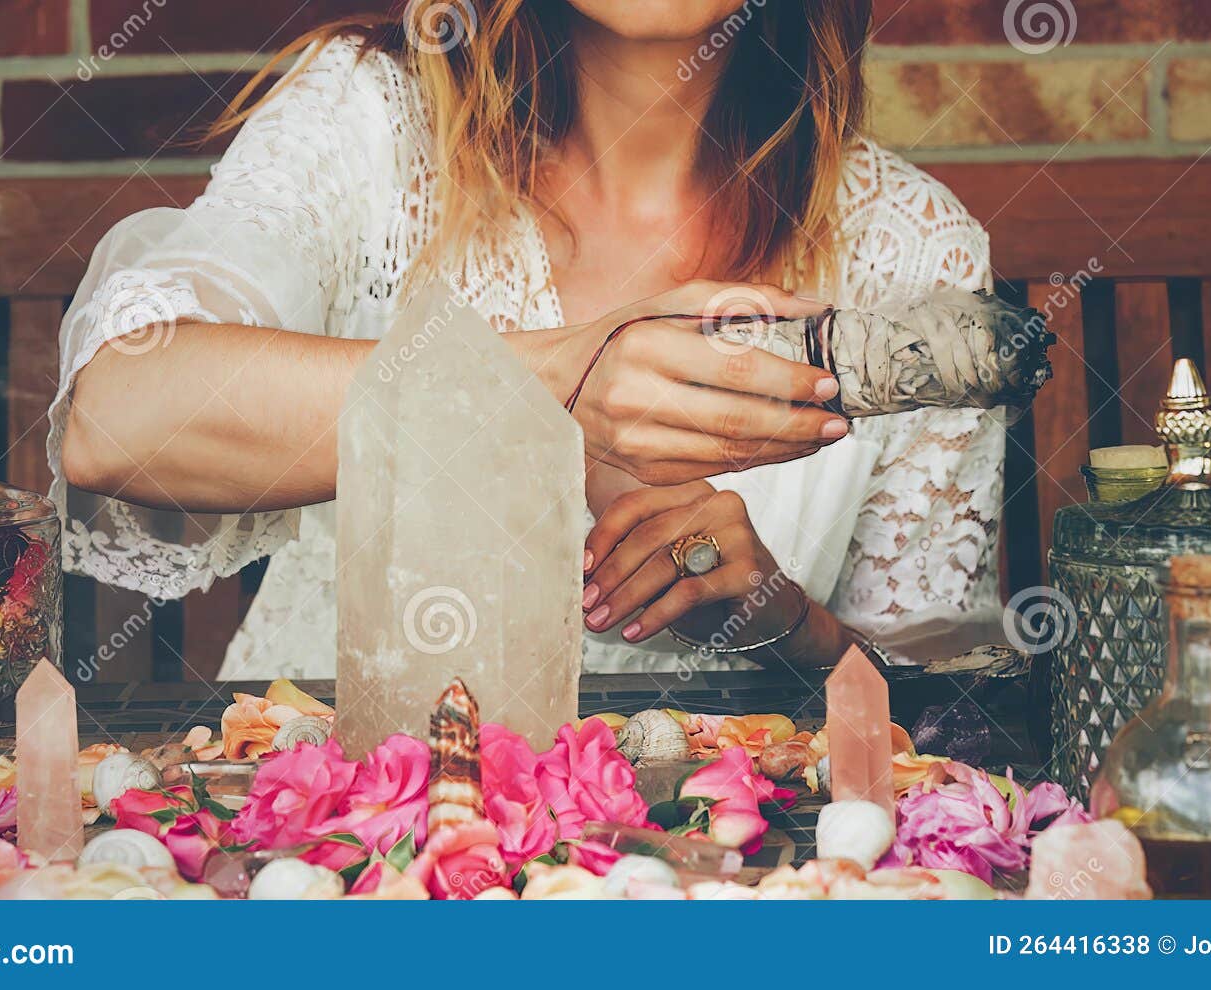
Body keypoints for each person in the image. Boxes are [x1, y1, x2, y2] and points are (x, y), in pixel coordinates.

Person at [53, 0, 1002, 679]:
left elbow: (943, 715)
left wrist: (776, 618)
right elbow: (117, 417)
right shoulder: (371, 118)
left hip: (731, 861)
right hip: (337, 829)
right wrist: (557, 380)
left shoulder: (914, 251)